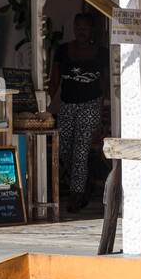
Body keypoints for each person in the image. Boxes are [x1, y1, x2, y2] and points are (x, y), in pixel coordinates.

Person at [50, 13, 107, 212]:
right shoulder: (63, 50)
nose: (81, 31)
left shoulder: (101, 53)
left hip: (90, 105)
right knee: (64, 148)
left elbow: (104, 85)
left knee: (81, 151)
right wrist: (44, 105)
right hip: (67, 105)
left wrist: (101, 115)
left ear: (91, 30)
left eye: (85, 28)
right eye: (78, 27)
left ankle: (76, 195)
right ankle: (83, 185)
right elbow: (55, 80)